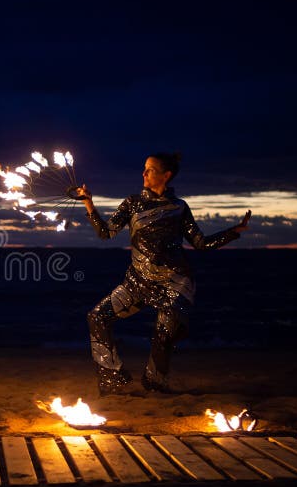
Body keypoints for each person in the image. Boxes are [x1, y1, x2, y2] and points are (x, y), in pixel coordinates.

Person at [75, 153, 251, 395]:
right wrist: (88, 203)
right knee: (97, 317)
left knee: (164, 335)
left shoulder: (179, 208)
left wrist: (234, 232)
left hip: (174, 283)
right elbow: (107, 233)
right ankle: (113, 377)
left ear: (166, 175)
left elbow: (200, 243)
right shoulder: (132, 203)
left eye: (150, 170)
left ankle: (155, 383)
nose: (144, 174)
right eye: (144, 169)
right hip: (137, 281)